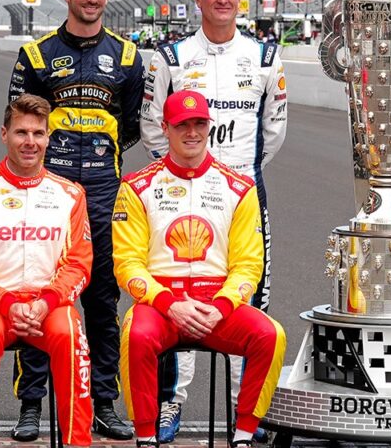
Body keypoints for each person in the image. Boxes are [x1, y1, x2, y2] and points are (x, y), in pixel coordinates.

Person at [140, 0, 287, 442]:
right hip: (180, 196)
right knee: (176, 293)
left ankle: (249, 412)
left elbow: (274, 132)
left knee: (253, 297)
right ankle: (171, 404)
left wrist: (231, 179)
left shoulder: (266, 56)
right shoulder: (171, 56)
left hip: (243, 195)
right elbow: (150, 126)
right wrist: (183, 175)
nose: (223, 0)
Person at [8, 0, 142, 441]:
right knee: (37, 294)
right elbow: (23, 124)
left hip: (105, 193)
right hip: (47, 195)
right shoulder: (36, 55)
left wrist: (96, 167)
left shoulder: (127, 56)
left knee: (103, 302)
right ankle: (30, 405)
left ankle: (104, 403)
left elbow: (130, 129)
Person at [114, 90, 287, 448]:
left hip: (216, 304)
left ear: (209, 126)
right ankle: (145, 437)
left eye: (199, 124)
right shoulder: (136, 186)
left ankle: (242, 436)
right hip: (160, 303)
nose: (191, 132)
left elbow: (248, 264)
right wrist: (169, 303)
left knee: (271, 335)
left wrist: (221, 306)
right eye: (182, 125)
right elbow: (127, 263)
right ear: (165, 128)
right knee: (135, 335)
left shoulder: (240, 188)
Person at [0, 95, 94, 448]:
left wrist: (45, 302)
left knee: (73, 331)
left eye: (38, 133)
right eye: (21, 132)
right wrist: (7, 303)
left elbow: (79, 264)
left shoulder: (71, 195)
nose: (30, 142)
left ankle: (78, 442)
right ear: (4, 134)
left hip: (49, 306)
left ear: (48, 137)